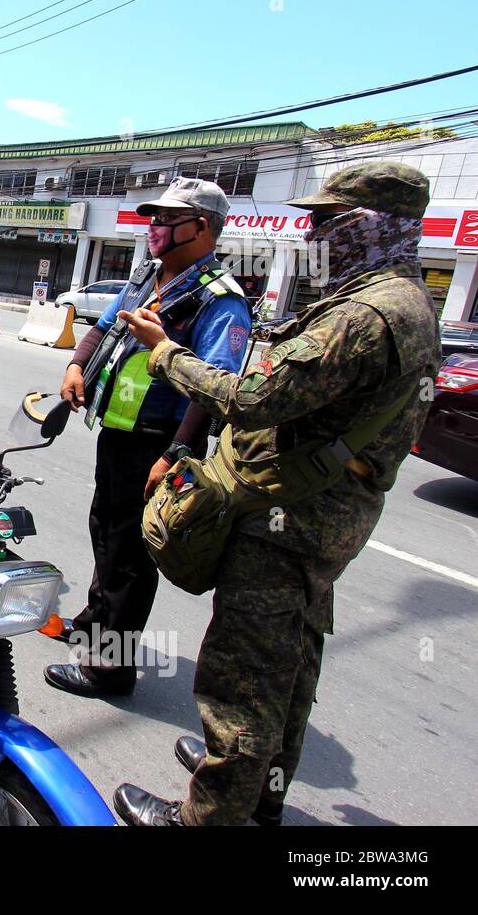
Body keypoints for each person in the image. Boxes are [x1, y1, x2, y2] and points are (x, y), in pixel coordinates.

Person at [111, 161, 442, 826]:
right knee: (291, 664)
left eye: (328, 221)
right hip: (328, 518)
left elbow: (253, 397)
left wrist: (166, 353)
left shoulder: (368, 312)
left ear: (372, 227)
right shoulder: (403, 300)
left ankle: (208, 815)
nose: (314, 233)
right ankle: (262, 791)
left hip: (287, 521)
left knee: (243, 678)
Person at [46, 178, 252, 699]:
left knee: (132, 555)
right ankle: (96, 625)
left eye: (166, 219)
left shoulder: (220, 299)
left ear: (200, 227)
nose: (154, 228)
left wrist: (175, 453)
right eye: (153, 218)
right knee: (106, 533)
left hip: (158, 443)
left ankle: (109, 670)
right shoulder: (149, 275)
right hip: (118, 432)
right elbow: (105, 326)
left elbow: (213, 390)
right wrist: (75, 366)